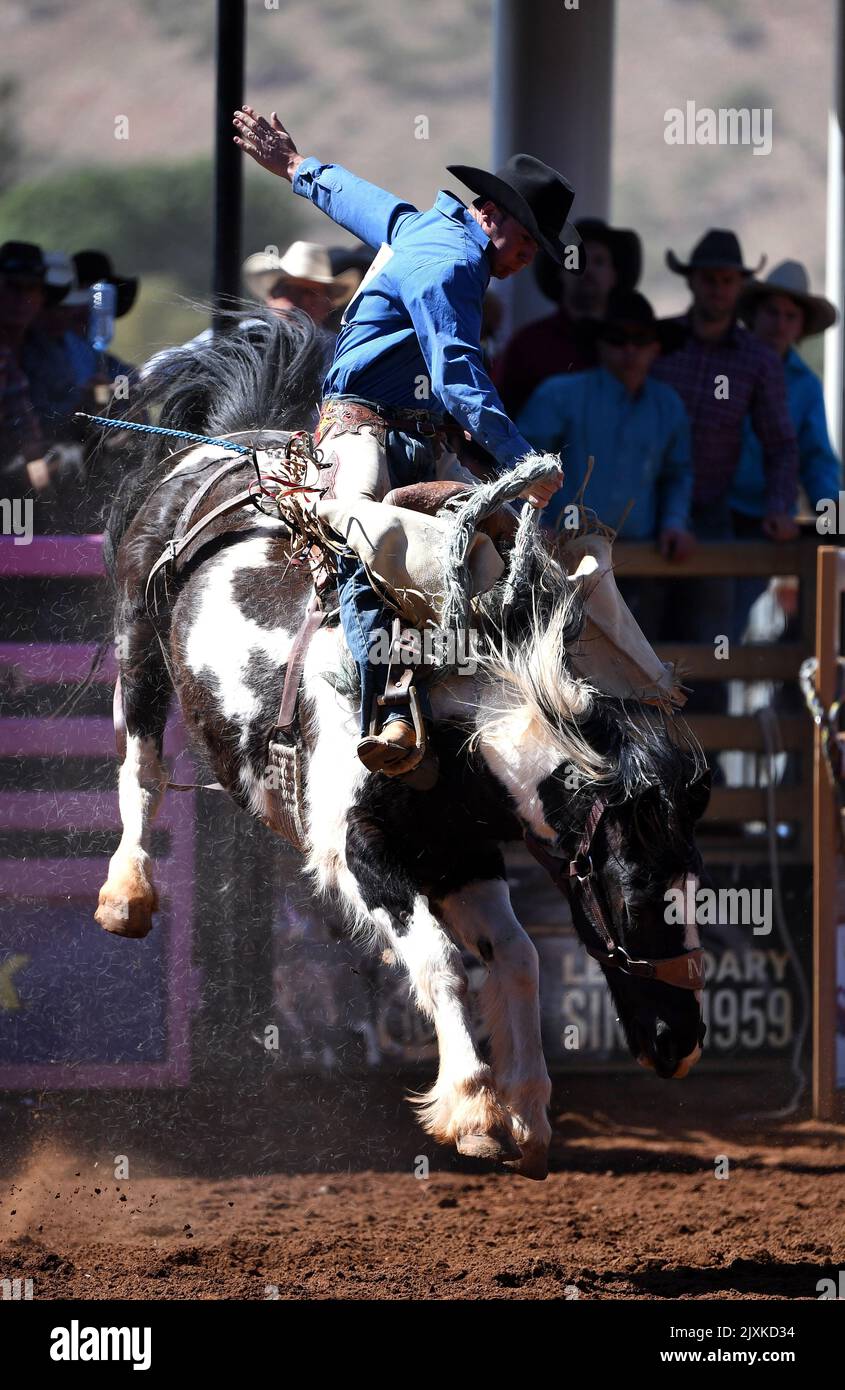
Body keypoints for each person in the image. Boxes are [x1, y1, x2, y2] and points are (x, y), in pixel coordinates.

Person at [233, 104, 574, 777]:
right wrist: (521, 459)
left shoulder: (421, 229)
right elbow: (456, 376)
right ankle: (383, 711)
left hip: (416, 428)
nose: (524, 261)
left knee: (494, 540)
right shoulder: (450, 266)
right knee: (365, 531)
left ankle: (500, 697)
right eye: (527, 246)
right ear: (494, 217)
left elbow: (361, 203)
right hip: (360, 420)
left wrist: (298, 166)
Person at [650, 230, 800, 717]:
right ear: (692, 283)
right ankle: (637, 776)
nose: (717, 288)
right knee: (640, 637)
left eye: (727, 280)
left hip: (712, 514)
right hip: (646, 516)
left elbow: (781, 443)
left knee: (712, 645)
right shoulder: (660, 343)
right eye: (709, 279)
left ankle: (706, 772)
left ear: (739, 288)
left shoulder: (757, 360)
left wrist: (779, 508)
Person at [516, 289, 694, 637]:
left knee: (637, 668)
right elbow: (524, 467)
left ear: (656, 347)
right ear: (599, 344)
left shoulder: (668, 405)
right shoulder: (559, 395)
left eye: (640, 340)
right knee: (566, 666)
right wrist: (537, 523)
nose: (630, 350)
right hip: (563, 559)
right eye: (618, 339)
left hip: (641, 561)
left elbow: (678, 473)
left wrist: (674, 523)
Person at [494, 218, 642, 417]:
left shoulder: (635, 345)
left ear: (614, 275)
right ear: (559, 272)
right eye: (576, 260)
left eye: (599, 261)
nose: (588, 270)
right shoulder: (527, 345)